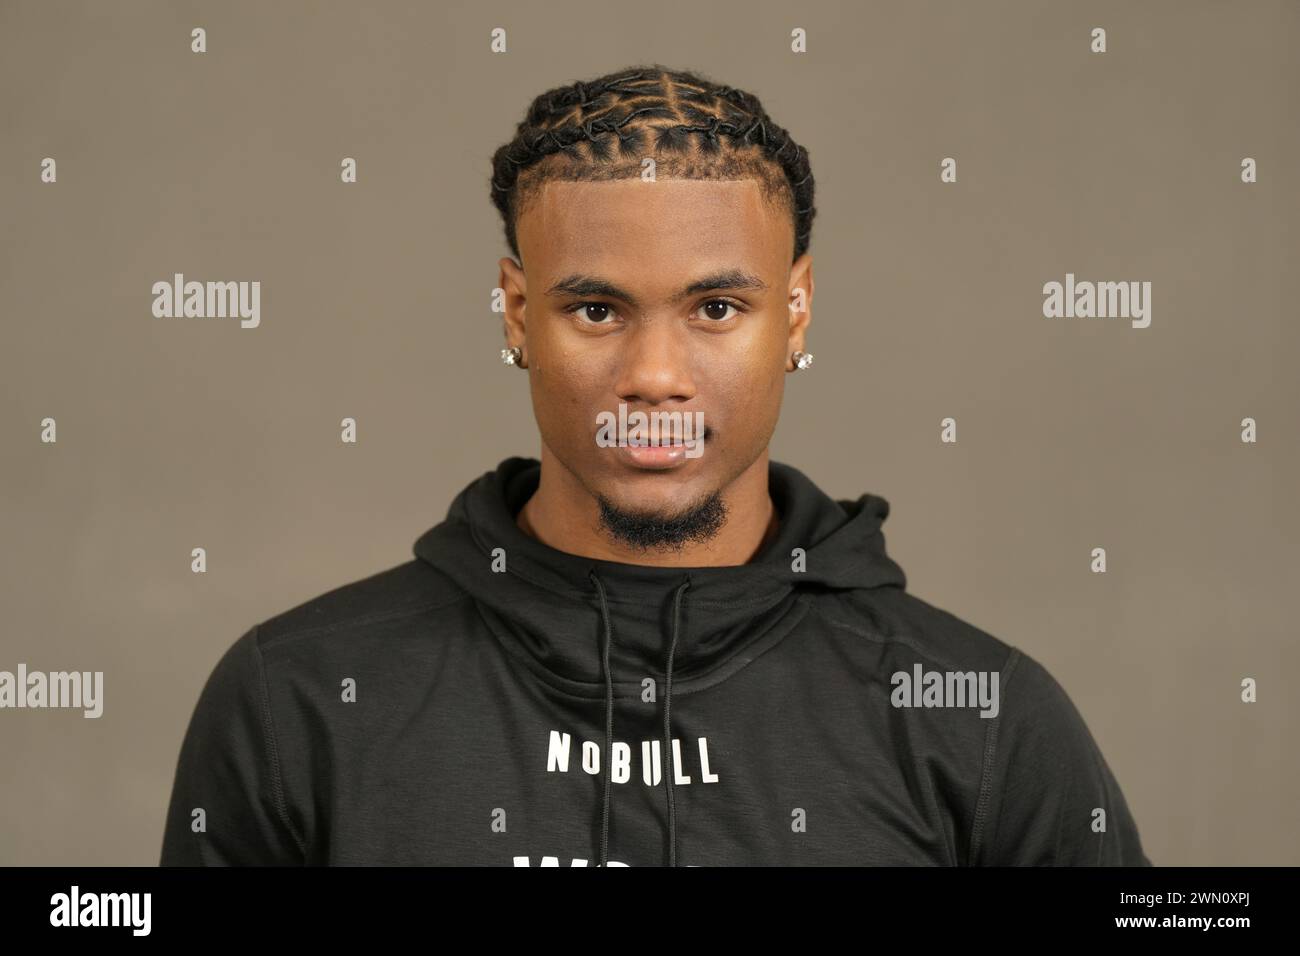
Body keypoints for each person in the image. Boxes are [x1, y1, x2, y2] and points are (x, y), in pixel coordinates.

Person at [160, 64, 1149, 866]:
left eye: (716, 309)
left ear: (795, 311)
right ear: (515, 311)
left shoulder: (978, 711)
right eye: (597, 310)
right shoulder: (303, 696)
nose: (655, 376)